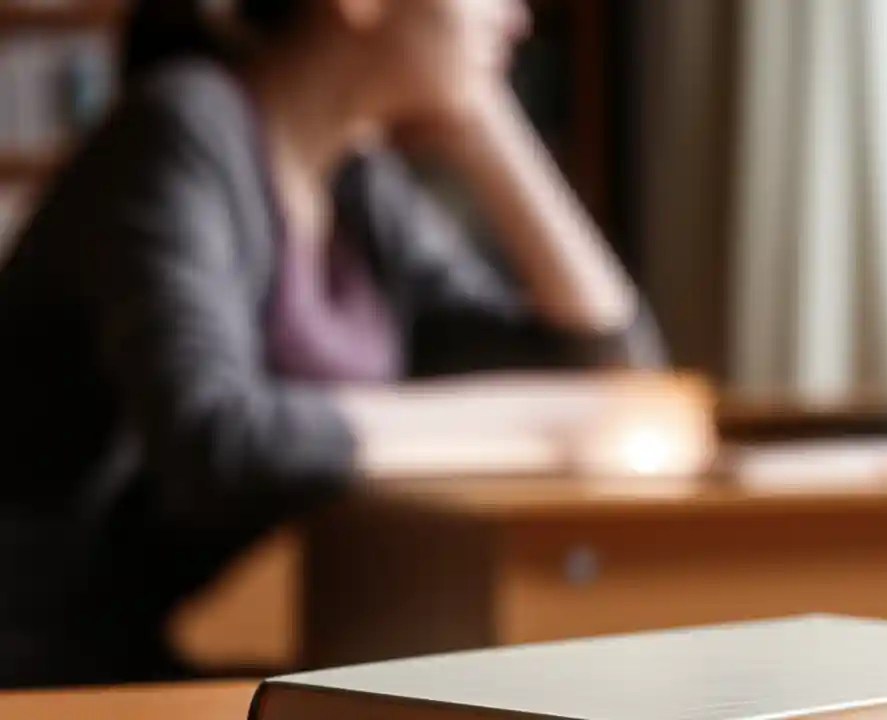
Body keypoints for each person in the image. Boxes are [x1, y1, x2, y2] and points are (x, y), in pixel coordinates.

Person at [0, 0, 662, 688]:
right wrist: (528, 431)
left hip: (119, 654)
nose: (515, 18)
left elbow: (607, 368)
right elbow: (214, 437)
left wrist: (491, 131)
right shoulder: (181, 128)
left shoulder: (356, 189)